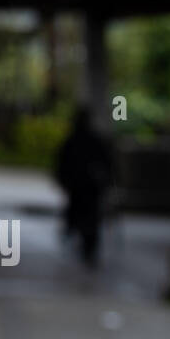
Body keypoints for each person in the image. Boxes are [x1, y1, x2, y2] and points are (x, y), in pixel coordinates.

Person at [54, 106, 112, 267]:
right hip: (84, 187)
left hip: (85, 187)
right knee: (85, 217)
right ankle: (84, 243)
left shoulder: (78, 140)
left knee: (86, 218)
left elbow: (106, 164)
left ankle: (86, 245)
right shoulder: (84, 141)